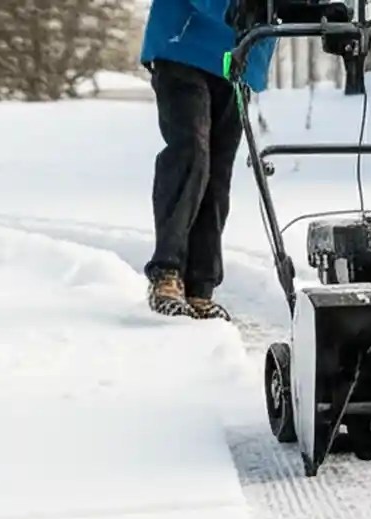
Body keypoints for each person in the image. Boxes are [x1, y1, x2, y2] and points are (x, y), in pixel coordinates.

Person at [139, 0, 275, 320]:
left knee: (217, 172)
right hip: (184, 45)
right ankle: (166, 273)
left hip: (240, 57)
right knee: (191, 153)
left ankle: (200, 287)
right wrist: (236, 8)